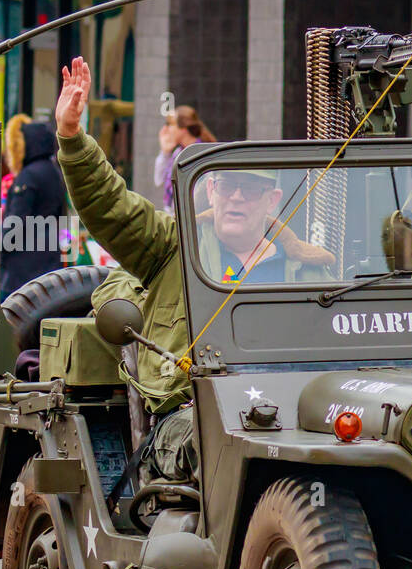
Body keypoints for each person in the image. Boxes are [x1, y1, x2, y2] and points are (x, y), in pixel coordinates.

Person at [54, 57, 331, 484]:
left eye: (251, 190)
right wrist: (73, 137)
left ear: (272, 200)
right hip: (187, 415)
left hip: (293, 412)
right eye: (227, 186)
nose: (237, 198)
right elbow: (113, 210)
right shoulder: (172, 245)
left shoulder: (309, 271)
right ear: (213, 192)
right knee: (217, 442)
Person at [0, 122, 68, 299]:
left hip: (23, 267)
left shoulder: (28, 176)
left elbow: (16, 221)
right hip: (49, 260)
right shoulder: (54, 171)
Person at [154, 106, 214, 213]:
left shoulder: (200, 154)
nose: (167, 130)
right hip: (174, 215)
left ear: (183, 128)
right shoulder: (178, 152)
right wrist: (164, 152)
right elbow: (158, 180)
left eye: (171, 125)